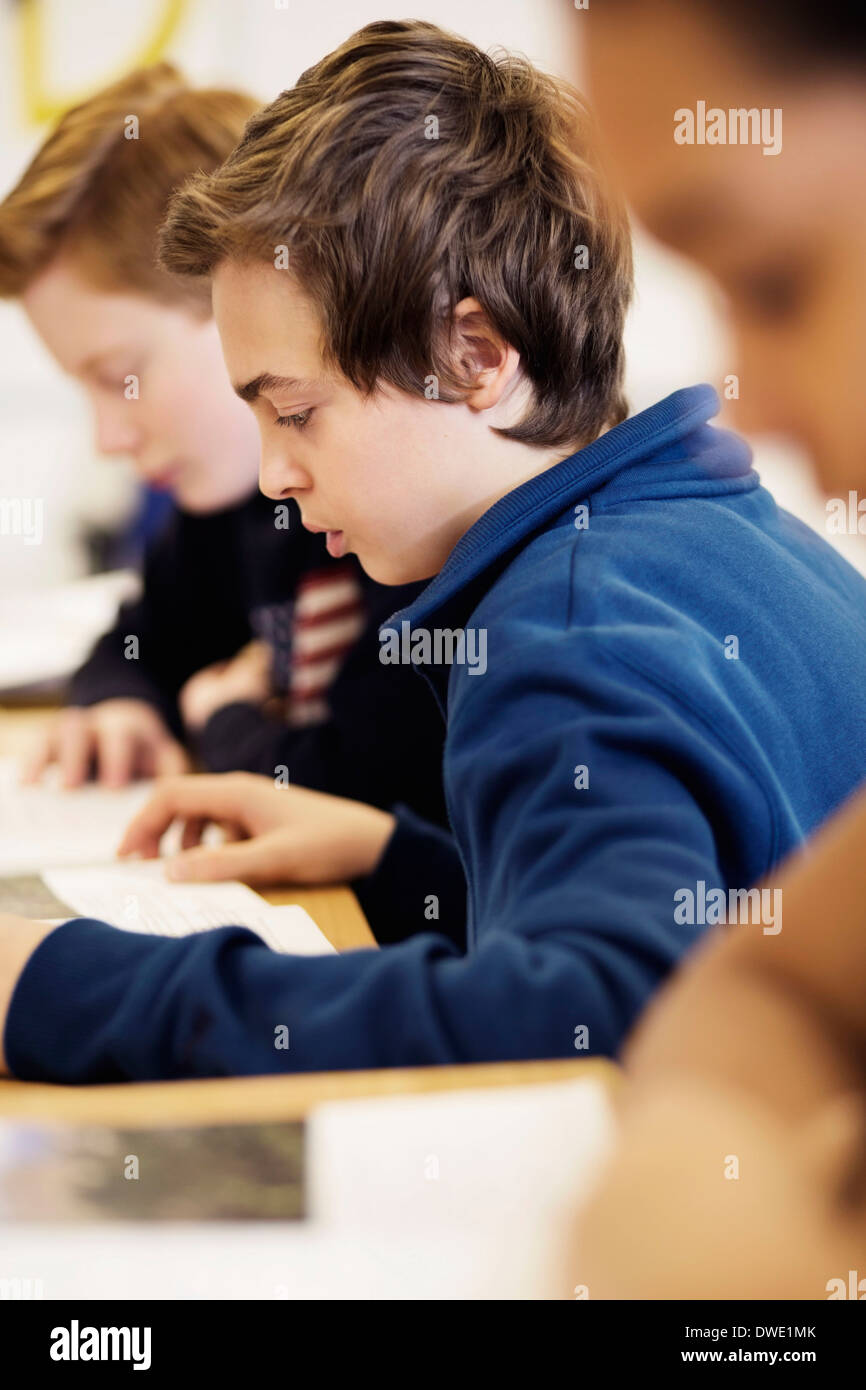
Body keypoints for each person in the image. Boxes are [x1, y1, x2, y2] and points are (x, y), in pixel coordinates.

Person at [3, 19, 866, 1084]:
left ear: (474, 357)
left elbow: (598, 1009)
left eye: (298, 413)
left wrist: (60, 986)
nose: (273, 476)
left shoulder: (558, 629)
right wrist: (395, 855)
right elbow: (697, 925)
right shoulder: (707, 524)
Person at [566, 0, 866, 1298]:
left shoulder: (570, 615)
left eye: (777, 280)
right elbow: (774, 978)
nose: (765, 411)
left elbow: (604, 975)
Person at [0, 62, 448, 852]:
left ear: (238, 301)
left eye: (120, 378)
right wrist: (120, 703)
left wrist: (224, 718)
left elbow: (366, 795)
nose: (109, 436)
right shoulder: (231, 505)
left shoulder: (397, 511)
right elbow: (142, 636)